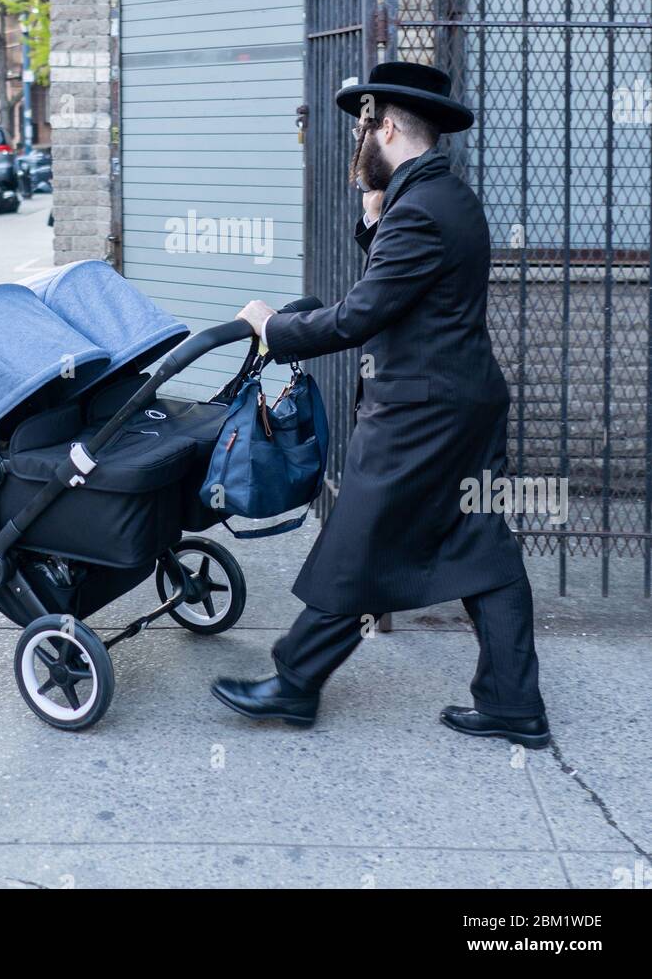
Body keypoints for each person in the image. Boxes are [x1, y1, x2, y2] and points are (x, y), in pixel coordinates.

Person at [211, 60, 549, 748]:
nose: (356, 142)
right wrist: (374, 219)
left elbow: (358, 317)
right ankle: (514, 702)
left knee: (359, 536)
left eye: (362, 129)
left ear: (388, 127)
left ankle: (295, 682)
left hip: (423, 415)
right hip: (461, 403)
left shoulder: (421, 208)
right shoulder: (440, 197)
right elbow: (407, 289)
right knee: (483, 546)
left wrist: (269, 328)